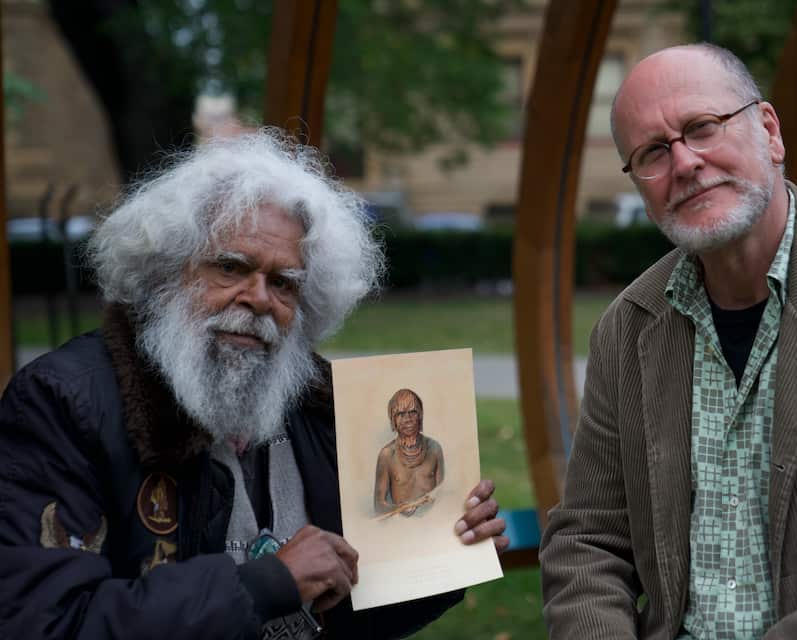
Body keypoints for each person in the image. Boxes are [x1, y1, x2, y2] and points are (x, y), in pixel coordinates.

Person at [0, 129, 508, 639]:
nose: (258, 298)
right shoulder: (65, 402)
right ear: (164, 273)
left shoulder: (316, 405)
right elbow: (47, 624)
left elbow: (345, 616)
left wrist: (439, 556)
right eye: (230, 267)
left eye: (284, 282)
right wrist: (266, 584)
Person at [539, 43, 797, 639]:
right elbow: (587, 542)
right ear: (639, 183)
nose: (685, 163)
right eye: (654, 151)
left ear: (769, 131)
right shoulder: (628, 326)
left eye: (702, 128)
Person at [374, 389, 445, 517]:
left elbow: (442, 495)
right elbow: (379, 506)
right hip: (400, 527)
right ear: (393, 420)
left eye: (413, 412)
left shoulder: (434, 449)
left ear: (420, 415)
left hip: (433, 524)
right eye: (401, 414)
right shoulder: (387, 455)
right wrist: (398, 509)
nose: (408, 419)